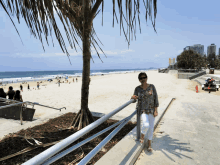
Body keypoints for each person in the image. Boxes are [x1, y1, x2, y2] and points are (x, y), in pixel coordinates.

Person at [131, 72, 159, 152]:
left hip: (151, 110)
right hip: (142, 110)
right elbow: (134, 98)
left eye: (144, 77)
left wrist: (156, 111)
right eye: (141, 78)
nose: (143, 79)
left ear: (146, 78)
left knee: (151, 128)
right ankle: (142, 136)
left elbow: (155, 98)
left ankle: (149, 144)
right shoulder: (137, 89)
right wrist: (133, 97)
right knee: (146, 124)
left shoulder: (152, 87)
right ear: (139, 80)